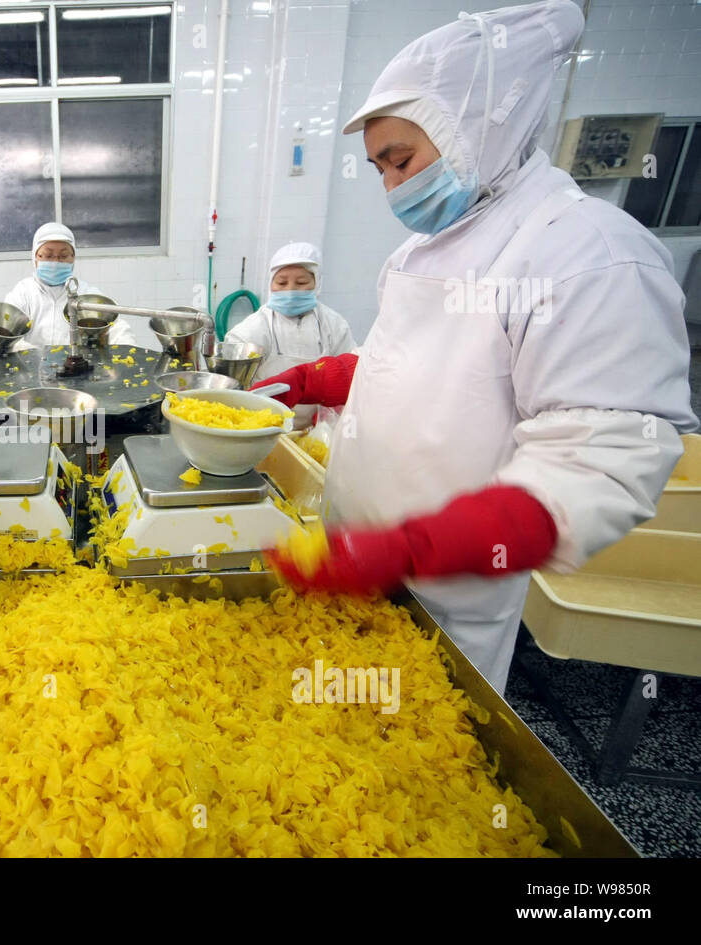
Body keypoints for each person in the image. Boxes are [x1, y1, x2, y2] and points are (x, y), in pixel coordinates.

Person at [259, 0, 698, 692]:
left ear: (477, 126)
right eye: (378, 169)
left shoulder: (588, 253)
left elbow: (600, 464)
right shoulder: (421, 250)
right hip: (350, 565)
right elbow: (414, 375)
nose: (392, 186)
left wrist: (414, 546)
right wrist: (311, 379)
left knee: (415, 775)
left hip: (445, 600)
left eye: (400, 160)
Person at [227, 241, 356, 426]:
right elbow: (233, 379)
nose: (290, 290)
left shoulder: (334, 325)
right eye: (281, 282)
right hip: (264, 425)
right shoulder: (254, 327)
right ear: (271, 284)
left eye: (301, 282)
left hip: (316, 429)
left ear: (317, 283)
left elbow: (350, 375)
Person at [6, 222, 138, 349]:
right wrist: (38, 356)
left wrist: (126, 350)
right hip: (32, 368)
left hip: (79, 369)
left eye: (63, 256)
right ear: (35, 257)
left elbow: (117, 329)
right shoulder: (23, 293)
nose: (56, 261)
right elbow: (7, 336)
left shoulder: (86, 293)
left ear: (73, 258)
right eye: (48, 255)